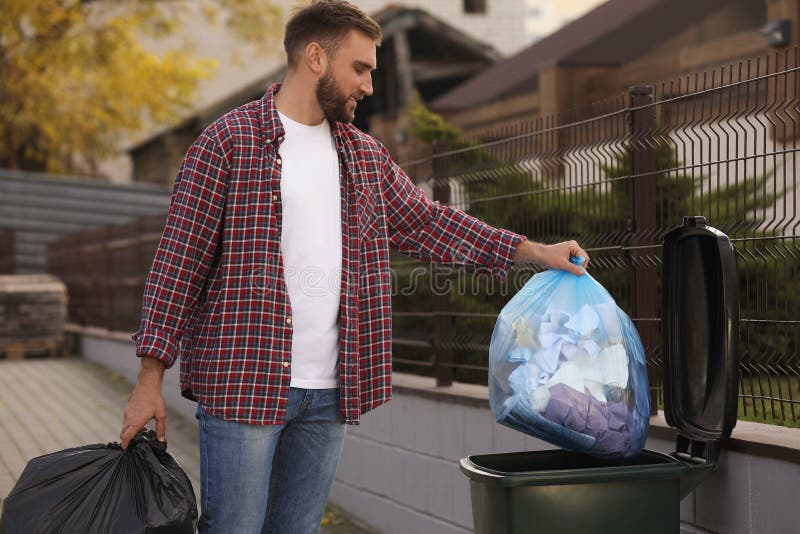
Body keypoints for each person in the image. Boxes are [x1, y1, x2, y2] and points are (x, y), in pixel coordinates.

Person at [119, 1, 589, 532]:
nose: (368, 85)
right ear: (316, 58)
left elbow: (430, 223)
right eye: (360, 68)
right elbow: (178, 262)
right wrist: (149, 379)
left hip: (330, 392)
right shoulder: (228, 142)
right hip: (243, 380)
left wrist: (535, 252)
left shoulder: (363, 156)